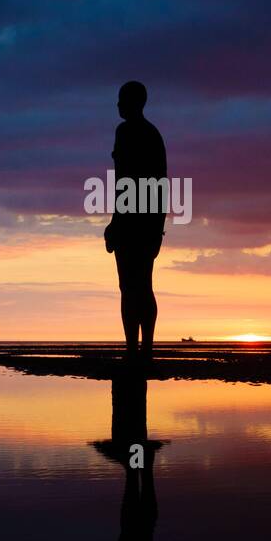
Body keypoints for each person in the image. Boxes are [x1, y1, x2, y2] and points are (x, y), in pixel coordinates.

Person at [104, 80, 167, 362]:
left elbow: (125, 182)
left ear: (133, 102)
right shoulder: (153, 134)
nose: (117, 105)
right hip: (145, 221)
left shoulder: (129, 132)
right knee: (140, 284)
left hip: (135, 222)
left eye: (121, 100)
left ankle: (136, 350)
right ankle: (143, 349)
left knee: (132, 286)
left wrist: (117, 223)